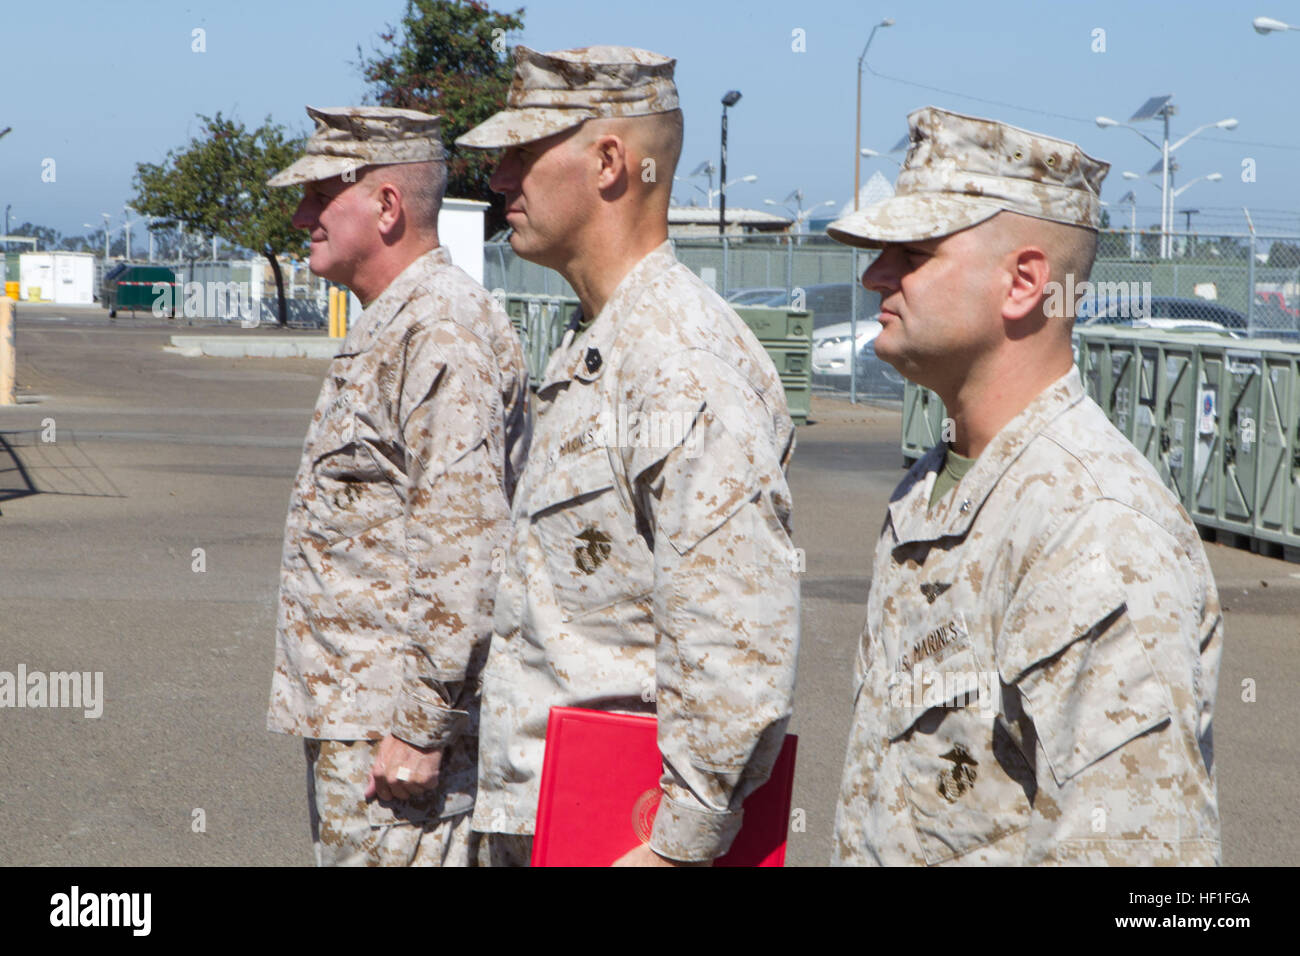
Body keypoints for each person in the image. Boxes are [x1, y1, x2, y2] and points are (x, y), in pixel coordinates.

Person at [827, 106, 1222, 866]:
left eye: (912, 252)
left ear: (1024, 282)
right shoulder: (930, 486)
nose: (876, 273)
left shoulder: (1094, 526)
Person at [456, 45, 800, 867]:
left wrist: (677, 847)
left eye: (520, 154)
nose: (500, 179)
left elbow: (734, 637)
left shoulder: (680, 359)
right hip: (546, 816)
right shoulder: (599, 343)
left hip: (621, 840)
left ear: (610, 161)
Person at [265, 105, 528, 866]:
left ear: (386, 207)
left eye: (319, 195)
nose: (300, 214)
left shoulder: (440, 331)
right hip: (363, 722)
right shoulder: (398, 322)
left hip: (400, 746)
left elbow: (465, 547)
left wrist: (420, 727)